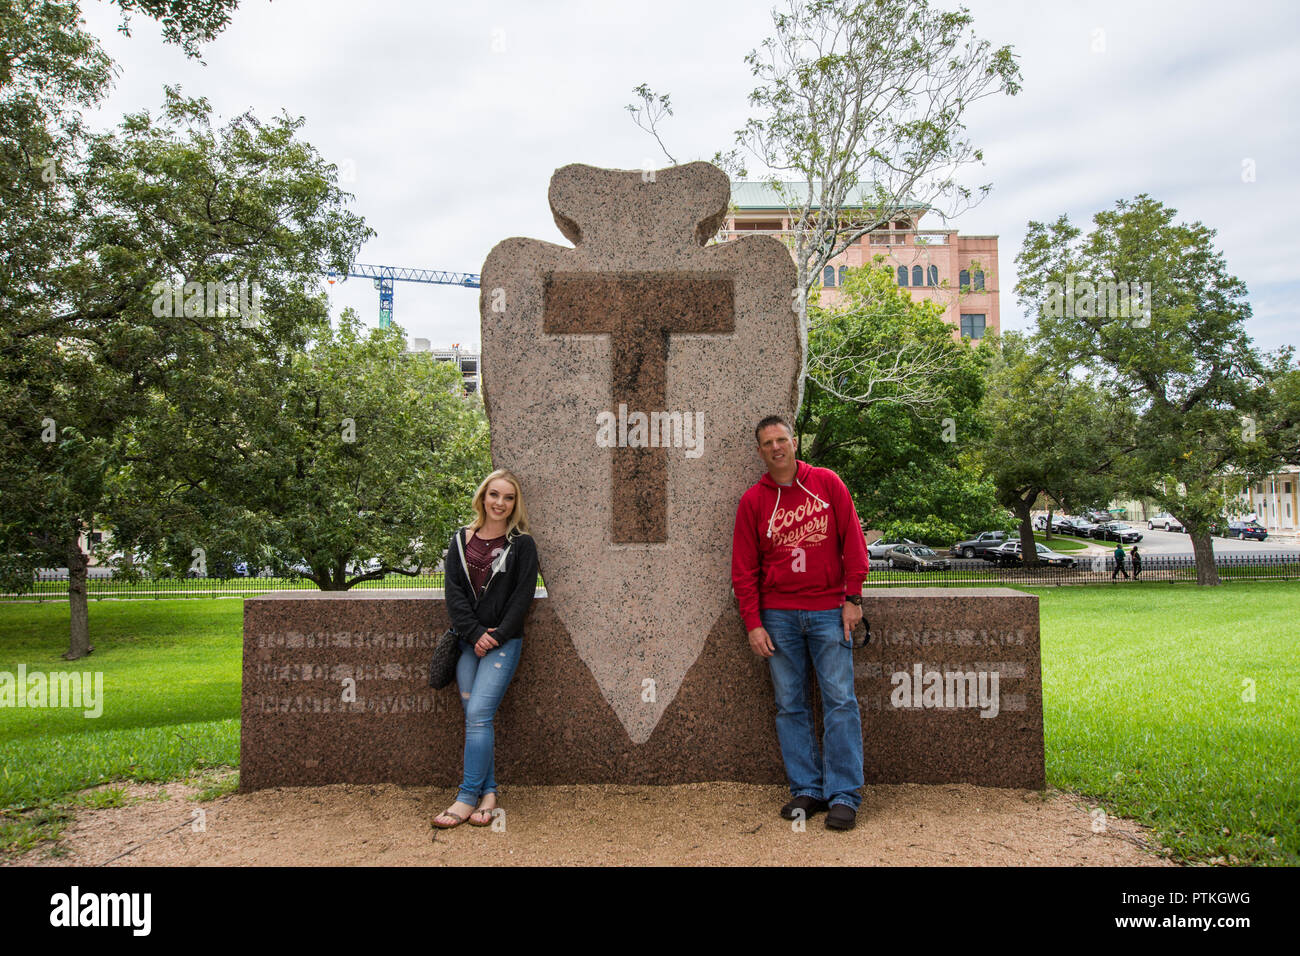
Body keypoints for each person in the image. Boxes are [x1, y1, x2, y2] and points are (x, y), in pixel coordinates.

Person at [731, 415, 870, 832]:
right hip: (779, 616)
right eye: (768, 443)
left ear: (795, 443)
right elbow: (744, 570)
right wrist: (754, 623)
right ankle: (807, 789)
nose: (776, 448)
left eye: (782, 440)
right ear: (760, 451)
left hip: (829, 609)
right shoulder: (753, 501)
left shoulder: (827, 483)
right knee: (790, 704)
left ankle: (844, 794)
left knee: (840, 701)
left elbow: (853, 541)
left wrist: (853, 597)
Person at [433, 469, 539, 829]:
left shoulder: (521, 544)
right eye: (494, 495)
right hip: (466, 642)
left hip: (503, 643)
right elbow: (454, 596)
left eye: (508, 498)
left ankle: (465, 797)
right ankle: (489, 792)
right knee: (476, 717)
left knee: (478, 714)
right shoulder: (460, 541)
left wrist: (494, 636)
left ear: (515, 504)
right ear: (482, 497)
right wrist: (474, 633)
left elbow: (522, 597)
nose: (500, 503)